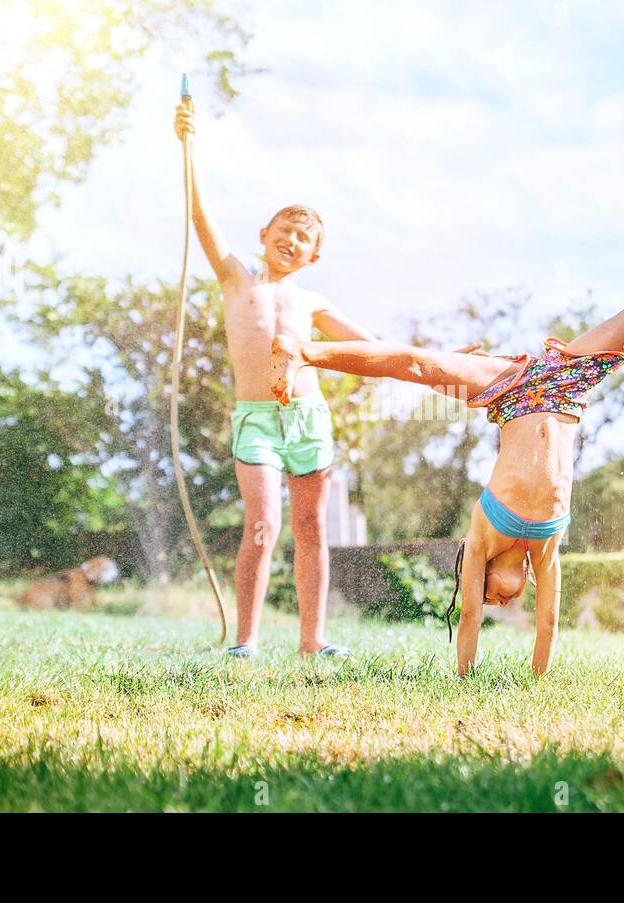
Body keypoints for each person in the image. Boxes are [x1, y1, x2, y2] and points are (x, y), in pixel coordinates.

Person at [269, 217, 624, 676]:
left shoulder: (481, 537)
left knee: (419, 364)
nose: (503, 599)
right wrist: (537, 677)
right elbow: (547, 623)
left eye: (491, 596)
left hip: (507, 383)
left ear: (476, 581)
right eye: (505, 598)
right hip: (566, 385)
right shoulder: (545, 551)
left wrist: (464, 672)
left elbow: (470, 619)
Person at [172, 104, 379, 658]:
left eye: (304, 236)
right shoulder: (237, 280)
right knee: (262, 522)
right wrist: (187, 144)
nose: (292, 237)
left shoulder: (312, 300)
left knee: (311, 526)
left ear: (314, 255)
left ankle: (312, 640)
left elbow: (373, 349)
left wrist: (447, 358)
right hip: (257, 419)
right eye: (284, 229)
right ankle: (246, 641)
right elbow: (199, 217)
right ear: (264, 235)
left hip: (308, 418)